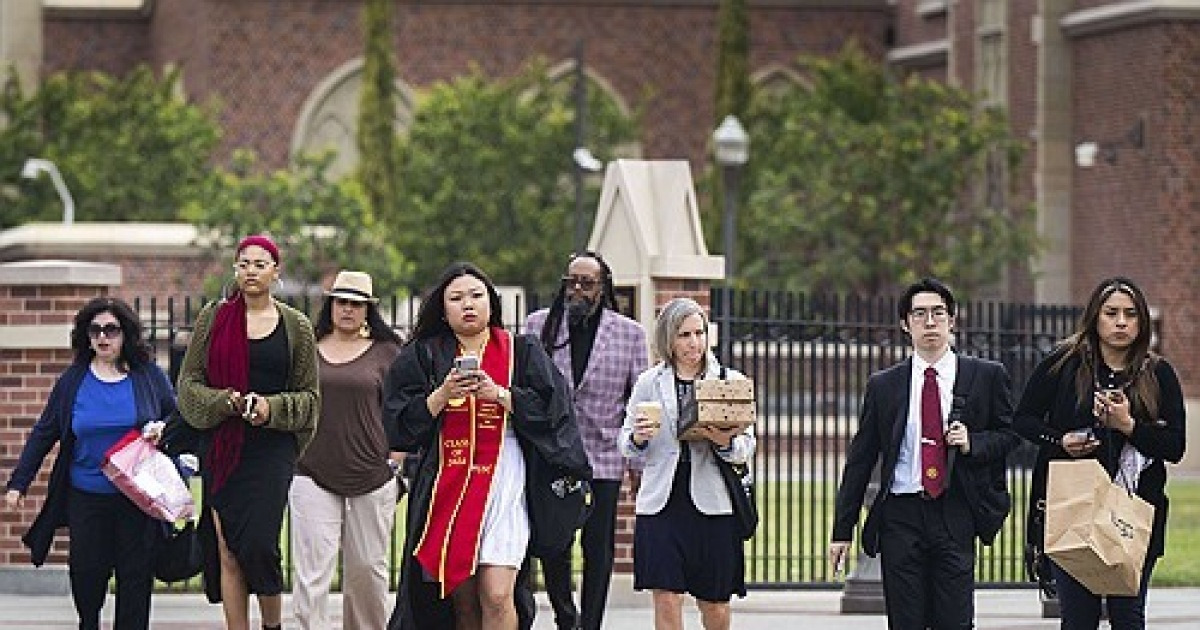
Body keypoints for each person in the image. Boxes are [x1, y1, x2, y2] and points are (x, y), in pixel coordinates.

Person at [384, 262, 589, 630]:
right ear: (443, 310)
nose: (468, 304)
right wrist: (442, 395)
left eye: (476, 295)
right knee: (463, 603)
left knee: (496, 593)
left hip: (506, 477)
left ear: (491, 303)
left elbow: (554, 410)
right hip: (449, 481)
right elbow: (399, 425)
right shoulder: (424, 355)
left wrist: (501, 395)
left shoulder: (521, 351)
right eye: (456, 298)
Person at [829, 277, 1020, 629]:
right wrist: (843, 529)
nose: (930, 322)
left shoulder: (986, 376)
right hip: (901, 514)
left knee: (955, 621)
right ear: (906, 324)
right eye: (920, 314)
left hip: (955, 510)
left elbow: (1011, 435)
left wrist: (973, 442)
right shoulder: (884, 385)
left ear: (952, 320)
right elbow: (861, 458)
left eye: (938, 313)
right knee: (906, 621)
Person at [1013, 277, 1185, 629]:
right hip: (1073, 509)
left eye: (1130, 314)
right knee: (1078, 619)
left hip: (1133, 513)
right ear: (1095, 317)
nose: (1121, 322)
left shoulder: (1158, 372)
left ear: (1142, 322)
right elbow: (1023, 419)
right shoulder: (1063, 364)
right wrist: (1060, 440)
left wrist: (1128, 426)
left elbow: (1175, 446)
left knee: (1128, 617)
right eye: (1111, 313)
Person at [4, 297, 176, 630]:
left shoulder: (148, 377)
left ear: (126, 334)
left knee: (135, 578)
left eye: (111, 330)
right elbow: (44, 432)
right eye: (95, 330)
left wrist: (161, 430)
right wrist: (18, 484)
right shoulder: (73, 381)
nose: (102, 337)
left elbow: (176, 417)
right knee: (86, 575)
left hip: (137, 498)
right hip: (86, 497)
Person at [176, 234, 320, 630]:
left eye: (260, 264)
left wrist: (271, 408)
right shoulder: (213, 318)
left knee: (260, 545)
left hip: (271, 449)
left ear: (275, 272)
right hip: (222, 447)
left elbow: (310, 398)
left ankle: (272, 625)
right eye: (243, 264)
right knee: (227, 549)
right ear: (235, 270)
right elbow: (188, 384)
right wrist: (225, 401)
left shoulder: (296, 326)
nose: (251, 271)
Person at [525, 252, 648, 630]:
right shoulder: (538, 326)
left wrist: (637, 466)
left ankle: (591, 624)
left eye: (587, 283)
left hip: (604, 457)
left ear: (603, 287)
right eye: (572, 281)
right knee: (554, 543)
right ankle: (566, 617)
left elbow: (638, 403)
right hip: (553, 457)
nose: (577, 289)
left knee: (598, 547)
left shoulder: (630, 334)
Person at [618, 297, 756, 630]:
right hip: (661, 505)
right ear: (668, 339)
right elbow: (625, 444)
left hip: (713, 505)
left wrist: (725, 443)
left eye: (699, 333)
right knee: (666, 597)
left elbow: (747, 446)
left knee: (715, 604)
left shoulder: (729, 380)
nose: (694, 342)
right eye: (684, 335)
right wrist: (638, 437)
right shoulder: (649, 382)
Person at [289, 270, 404, 629]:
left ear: (368, 310)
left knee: (367, 570)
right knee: (312, 573)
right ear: (331, 305)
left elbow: (402, 410)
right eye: (341, 302)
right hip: (310, 471)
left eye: (357, 304)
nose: (348, 309)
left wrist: (395, 462)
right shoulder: (307, 348)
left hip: (373, 475)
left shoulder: (389, 352)